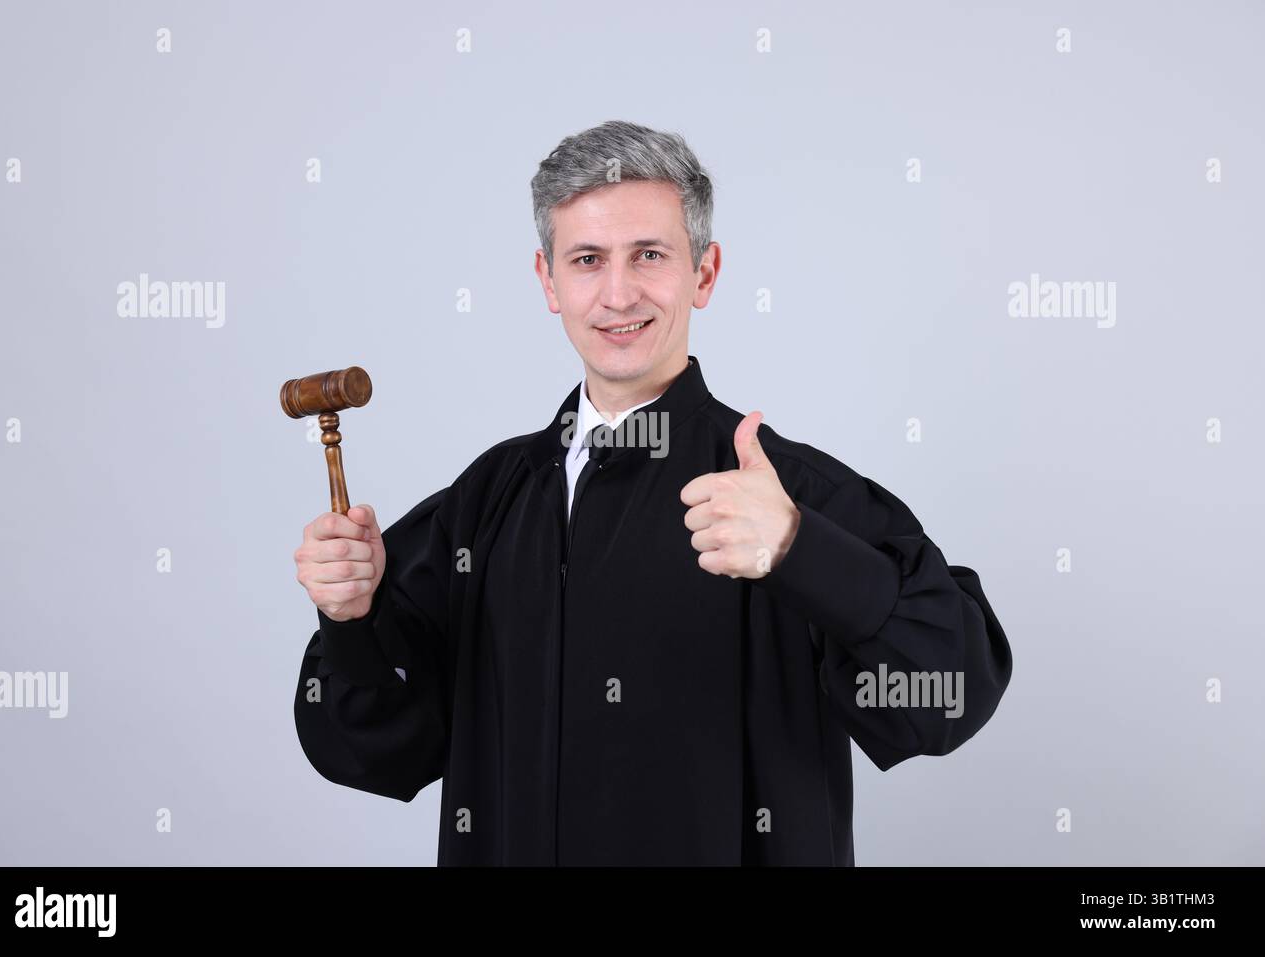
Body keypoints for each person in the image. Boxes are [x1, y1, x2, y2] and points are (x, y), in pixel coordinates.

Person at [292, 120, 1013, 865]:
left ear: (704, 272)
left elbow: (949, 696)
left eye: (650, 255)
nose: (617, 292)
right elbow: (373, 751)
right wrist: (351, 621)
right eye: (587, 259)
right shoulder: (483, 506)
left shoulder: (791, 492)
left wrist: (802, 549)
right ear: (548, 281)